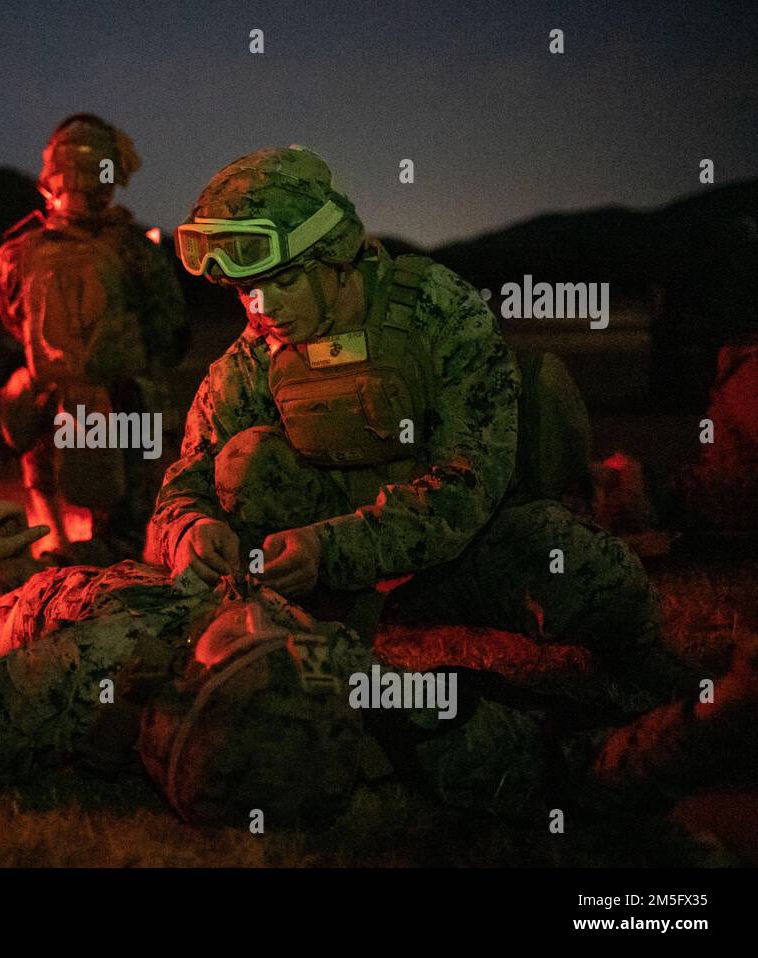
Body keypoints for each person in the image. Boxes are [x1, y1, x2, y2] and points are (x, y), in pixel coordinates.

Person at [0, 493, 756, 829]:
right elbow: (558, 768)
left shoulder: (83, 651)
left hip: (244, 657)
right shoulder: (335, 696)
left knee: (529, 759)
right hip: (319, 686)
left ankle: (709, 729)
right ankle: (711, 727)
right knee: (540, 761)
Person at [149, 146, 699, 701]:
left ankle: (646, 675)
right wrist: (191, 526)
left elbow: (467, 485)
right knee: (244, 462)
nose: (260, 307)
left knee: (596, 574)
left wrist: (331, 549)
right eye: (246, 290)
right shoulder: (254, 357)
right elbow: (188, 474)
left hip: (454, 559)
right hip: (323, 581)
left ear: (334, 255)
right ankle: (307, 647)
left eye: (282, 281)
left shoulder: (437, 311)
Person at [0, 114, 189, 560]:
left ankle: (51, 541)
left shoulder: (16, 251)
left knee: (36, 417)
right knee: (130, 534)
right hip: (123, 405)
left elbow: (11, 318)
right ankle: (112, 552)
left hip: (46, 403)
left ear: (52, 175)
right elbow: (171, 332)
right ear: (112, 176)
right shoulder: (136, 249)